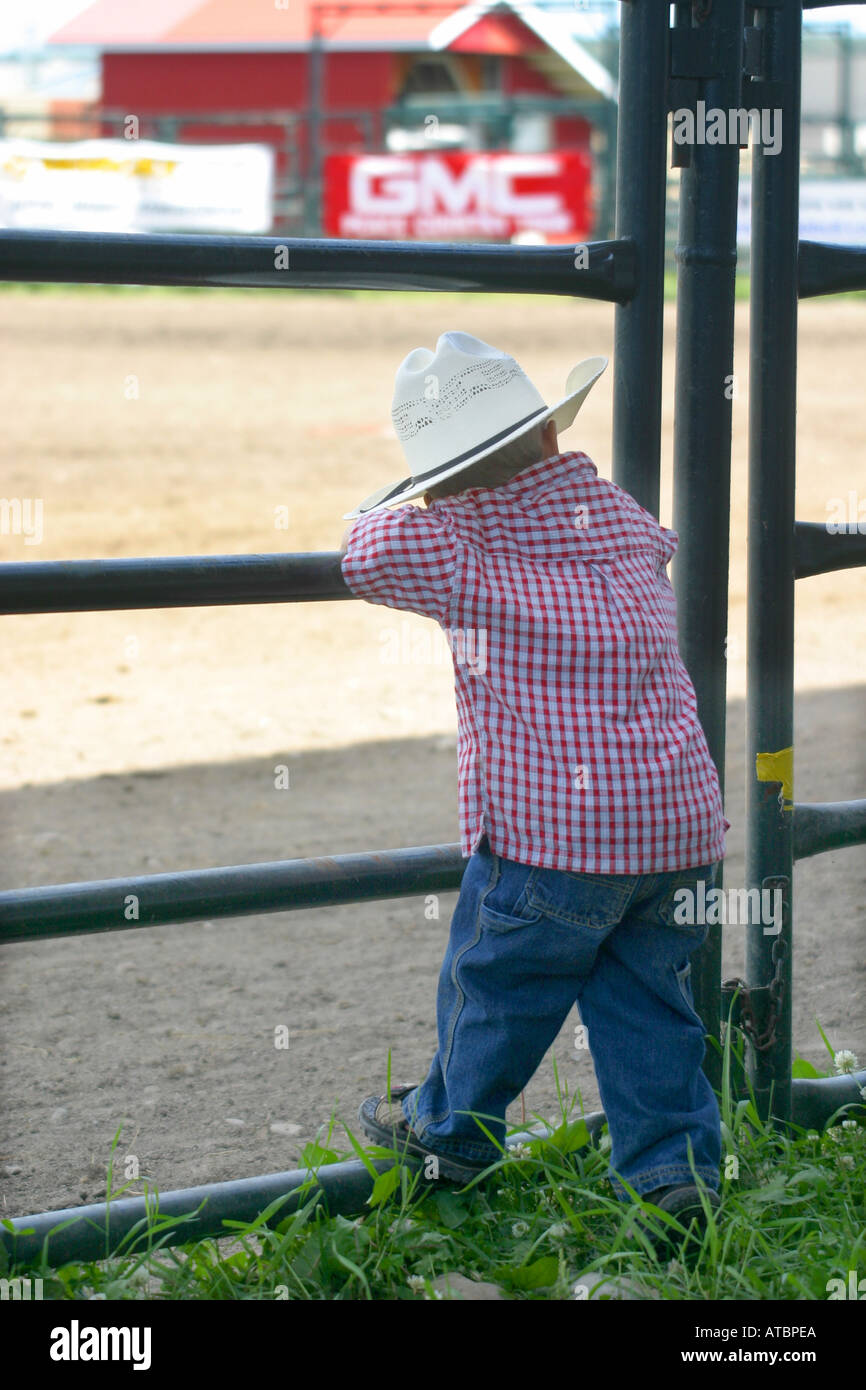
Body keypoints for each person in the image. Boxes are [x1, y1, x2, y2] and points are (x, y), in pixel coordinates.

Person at [339, 330, 729, 1239]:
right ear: (555, 437)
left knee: (497, 985)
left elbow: (367, 551)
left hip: (553, 845)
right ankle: (673, 1175)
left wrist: (431, 499)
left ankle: (451, 1133)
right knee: (649, 1009)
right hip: (676, 832)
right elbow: (634, 533)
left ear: (437, 486)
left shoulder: (457, 550)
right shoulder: (624, 520)